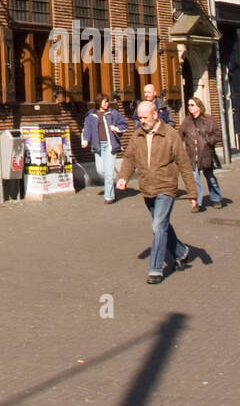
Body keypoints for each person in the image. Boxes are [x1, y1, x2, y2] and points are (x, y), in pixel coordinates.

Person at [116, 101, 197, 284]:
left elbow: (184, 164)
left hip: (166, 187)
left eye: (145, 117)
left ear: (155, 115)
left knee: (158, 226)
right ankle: (181, 252)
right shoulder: (137, 135)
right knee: (162, 225)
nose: (142, 121)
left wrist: (193, 193)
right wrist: (123, 177)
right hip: (147, 187)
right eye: (140, 117)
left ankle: (155, 269)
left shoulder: (170, 135)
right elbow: (129, 158)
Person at [179, 97, 224, 211]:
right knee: (194, 179)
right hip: (192, 155)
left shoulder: (209, 120)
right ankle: (197, 203)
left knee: (210, 178)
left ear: (199, 106)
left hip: (206, 154)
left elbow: (218, 135)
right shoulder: (187, 122)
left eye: (192, 105)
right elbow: (179, 136)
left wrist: (209, 141)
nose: (190, 107)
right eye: (189, 105)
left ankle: (216, 198)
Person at [81, 94, 127, 203]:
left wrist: (116, 128)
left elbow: (124, 125)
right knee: (101, 170)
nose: (107, 104)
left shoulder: (113, 113)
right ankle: (111, 178)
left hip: (110, 146)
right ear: (99, 102)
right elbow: (86, 129)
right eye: (104, 102)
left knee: (108, 173)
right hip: (98, 146)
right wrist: (85, 140)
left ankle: (109, 197)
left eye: (107, 102)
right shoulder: (91, 115)